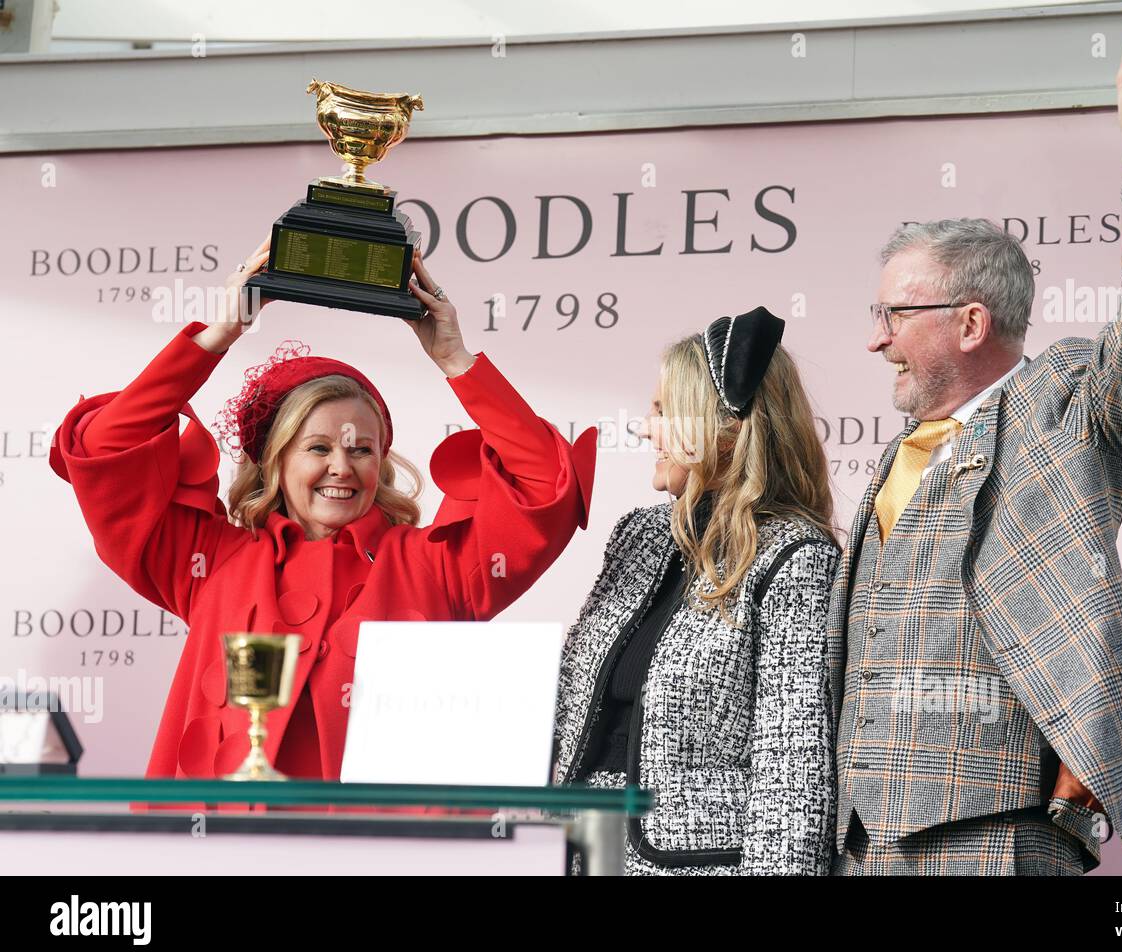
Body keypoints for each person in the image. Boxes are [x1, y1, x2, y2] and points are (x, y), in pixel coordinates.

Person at [830, 26, 1122, 875]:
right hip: (860, 844)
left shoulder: (1068, 406)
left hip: (999, 835)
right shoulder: (901, 455)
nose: (876, 340)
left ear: (970, 322)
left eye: (894, 315)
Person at [50, 239, 596, 781]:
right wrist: (219, 335)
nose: (342, 466)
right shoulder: (207, 560)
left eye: (361, 449)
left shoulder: (439, 567)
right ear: (273, 462)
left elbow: (545, 482)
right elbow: (105, 452)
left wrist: (455, 358)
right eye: (318, 448)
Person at [552, 307, 841, 875]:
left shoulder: (795, 557)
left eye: (662, 410)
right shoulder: (640, 535)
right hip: (577, 848)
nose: (642, 426)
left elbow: (793, 768)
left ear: (723, 427)